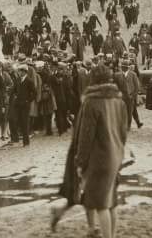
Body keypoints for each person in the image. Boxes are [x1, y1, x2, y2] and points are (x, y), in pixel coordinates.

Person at [51, 65, 128, 238]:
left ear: (92, 80)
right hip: (115, 156)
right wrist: (119, 153)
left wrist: (80, 162)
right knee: (111, 202)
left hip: (97, 159)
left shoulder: (91, 102)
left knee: (101, 205)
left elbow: (85, 137)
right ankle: (98, 231)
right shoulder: (119, 101)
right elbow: (124, 133)